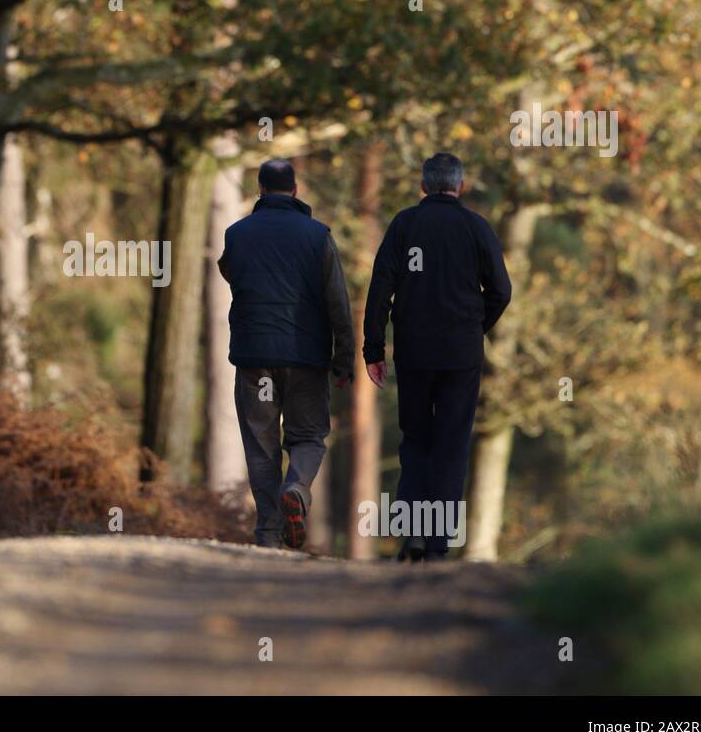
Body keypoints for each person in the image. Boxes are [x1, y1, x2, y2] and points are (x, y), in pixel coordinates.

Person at [363, 153, 512, 562]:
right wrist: (474, 327)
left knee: (415, 442)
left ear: (424, 185)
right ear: (460, 186)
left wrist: (373, 348)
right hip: (460, 354)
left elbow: (380, 289)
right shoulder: (477, 228)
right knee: (451, 445)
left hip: (413, 350)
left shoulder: (405, 225)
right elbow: (501, 290)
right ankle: (438, 544)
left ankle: (410, 535)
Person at [217, 159, 354, 549]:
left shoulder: (237, 234)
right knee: (308, 436)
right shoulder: (317, 236)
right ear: (295, 190)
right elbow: (337, 303)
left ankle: (269, 533)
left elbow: (230, 272)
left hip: (254, 358)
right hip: (305, 358)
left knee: (262, 446)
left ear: (260, 189)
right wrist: (344, 358)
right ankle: (297, 488)